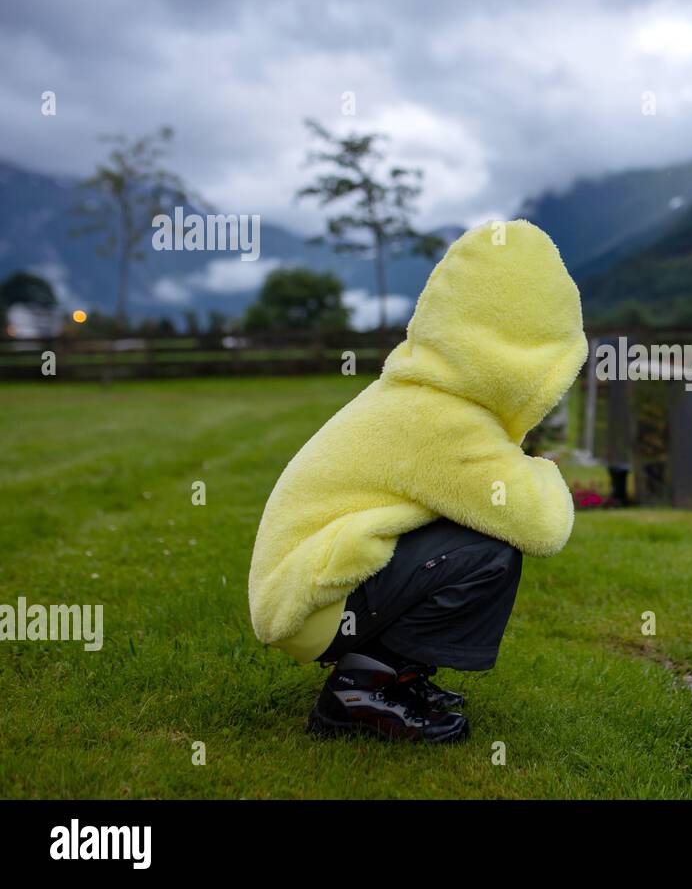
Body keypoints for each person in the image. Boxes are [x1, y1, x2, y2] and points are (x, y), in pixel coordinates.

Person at [247, 220, 587, 743]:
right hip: (309, 604)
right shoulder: (441, 418)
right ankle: (360, 690)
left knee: (469, 535)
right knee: (488, 552)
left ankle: (398, 675)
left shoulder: (418, 393)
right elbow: (544, 527)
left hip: (312, 586)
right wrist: (542, 470)